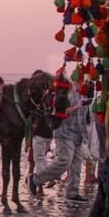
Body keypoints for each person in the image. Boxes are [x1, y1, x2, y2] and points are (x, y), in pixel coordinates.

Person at [32, 71, 87, 200]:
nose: (84, 82)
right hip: (65, 131)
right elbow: (60, 111)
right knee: (64, 161)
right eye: (82, 79)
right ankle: (36, 179)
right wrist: (77, 107)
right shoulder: (66, 92)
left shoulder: (81, 93)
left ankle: (72, 192)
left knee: (76, 165)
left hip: (78, 132)